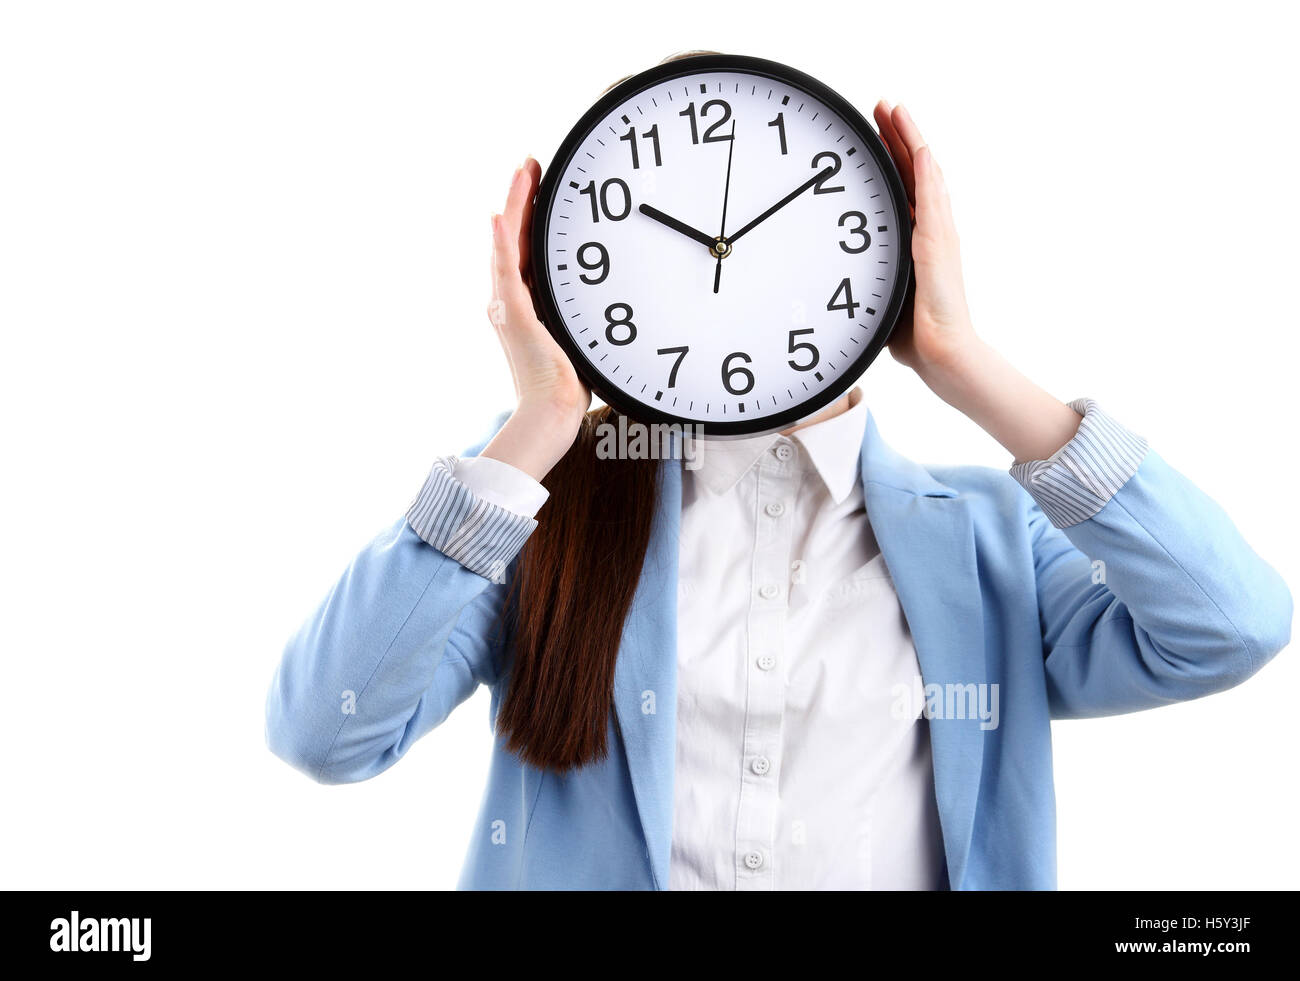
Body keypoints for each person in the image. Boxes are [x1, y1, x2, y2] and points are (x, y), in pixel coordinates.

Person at [264, 59, 1292, 890]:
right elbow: (327, 733)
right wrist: (537, 430)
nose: (733, 272)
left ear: (890, 260)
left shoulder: (983, 541)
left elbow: (1228, 626)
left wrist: (964, 365)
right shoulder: (541, 519)